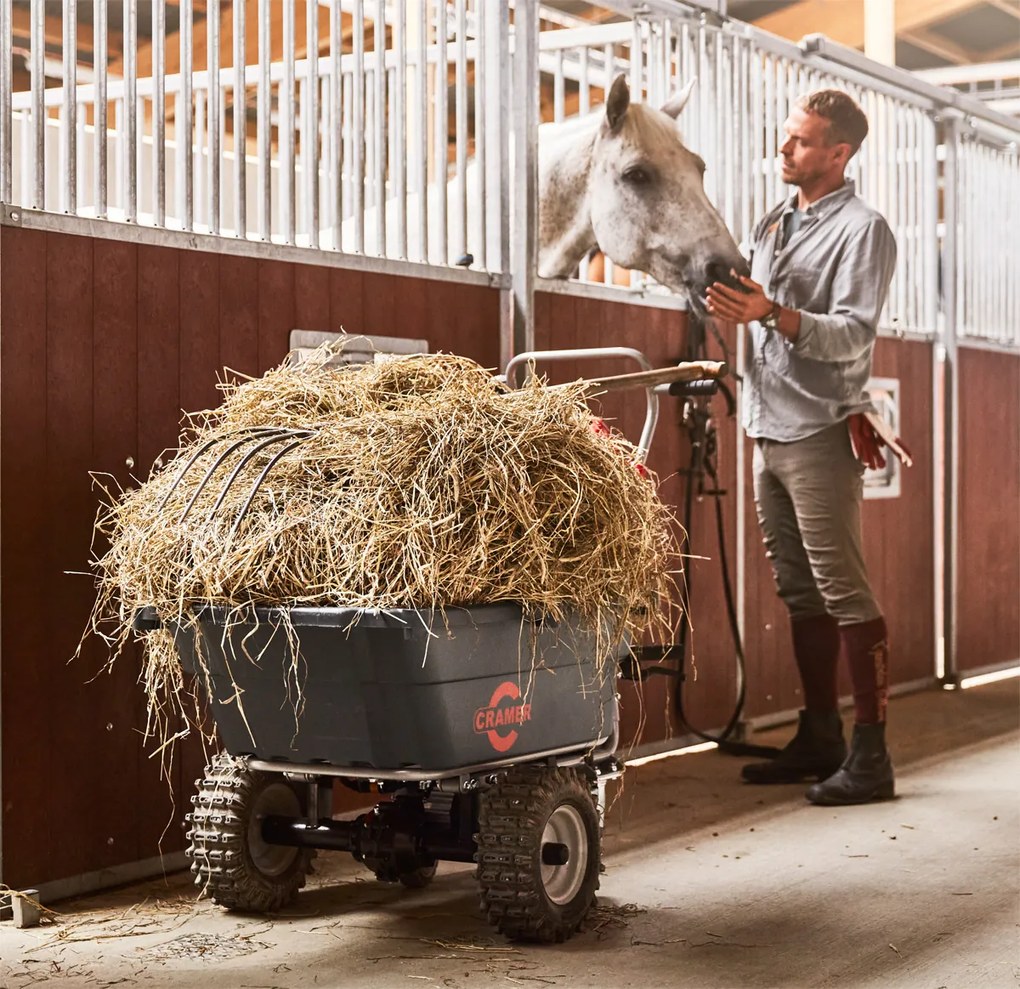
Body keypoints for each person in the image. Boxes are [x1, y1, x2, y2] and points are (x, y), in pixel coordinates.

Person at [705, 90, 897, 806]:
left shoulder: (863, 230)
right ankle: (820, 735)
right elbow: (757, 312)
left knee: (843, 587)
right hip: (765, 425)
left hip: (819, 429)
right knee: (799, 589)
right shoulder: (774, 220)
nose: (785, 151)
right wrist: (731, 305)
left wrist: (773, 314)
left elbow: (853, 332)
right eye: (786, 138)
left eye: (802, 141)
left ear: (839, 154)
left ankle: (872, 755)